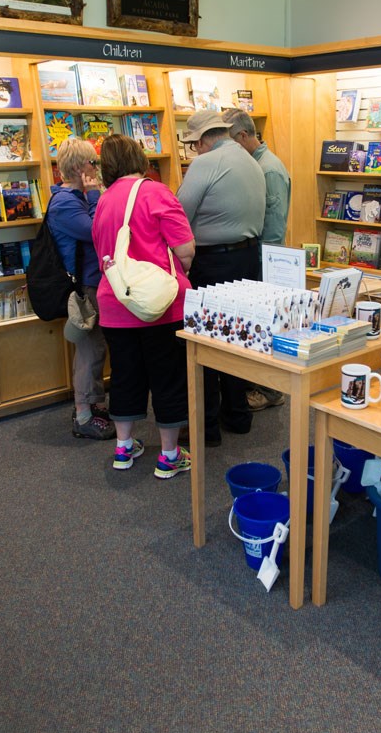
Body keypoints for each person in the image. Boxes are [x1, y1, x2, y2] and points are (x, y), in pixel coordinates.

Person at [92, 136, 196, 477]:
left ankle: (123, 447)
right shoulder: (155, 192)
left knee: (124, 376)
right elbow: (185, 248)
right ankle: (168, 455)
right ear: (139, 157)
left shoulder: (103, 201)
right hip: (161, 306)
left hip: (116, 304)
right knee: (167, 376)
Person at [176, 109, 265, 445]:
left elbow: (178, 215)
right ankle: (238, 414)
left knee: (207, 345)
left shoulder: (204, 164)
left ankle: (206, 427)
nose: (194, 150)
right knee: (237, 339)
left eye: (194, 144)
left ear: (202, 140)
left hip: (213, 263)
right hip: (247, 258)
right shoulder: (249, 159)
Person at [224, 107, 292, 411]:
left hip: (266, 261)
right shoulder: (252, 166)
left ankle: (270, 390)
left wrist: (262, 270)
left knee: (266, 325)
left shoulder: (269, 170)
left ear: (241, 136)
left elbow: (274, 229)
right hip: (254, 258)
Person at [48, 139, 114, 441]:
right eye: (92, 163)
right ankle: (84, 415)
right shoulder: (64, 202)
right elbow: (95, 230)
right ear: (78, 167)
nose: (95, 168)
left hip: (94, 279)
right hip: (85, 285)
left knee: (96, 347)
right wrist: (97, 194)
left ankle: (93, 405)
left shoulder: (75, 197)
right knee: (90, 349)